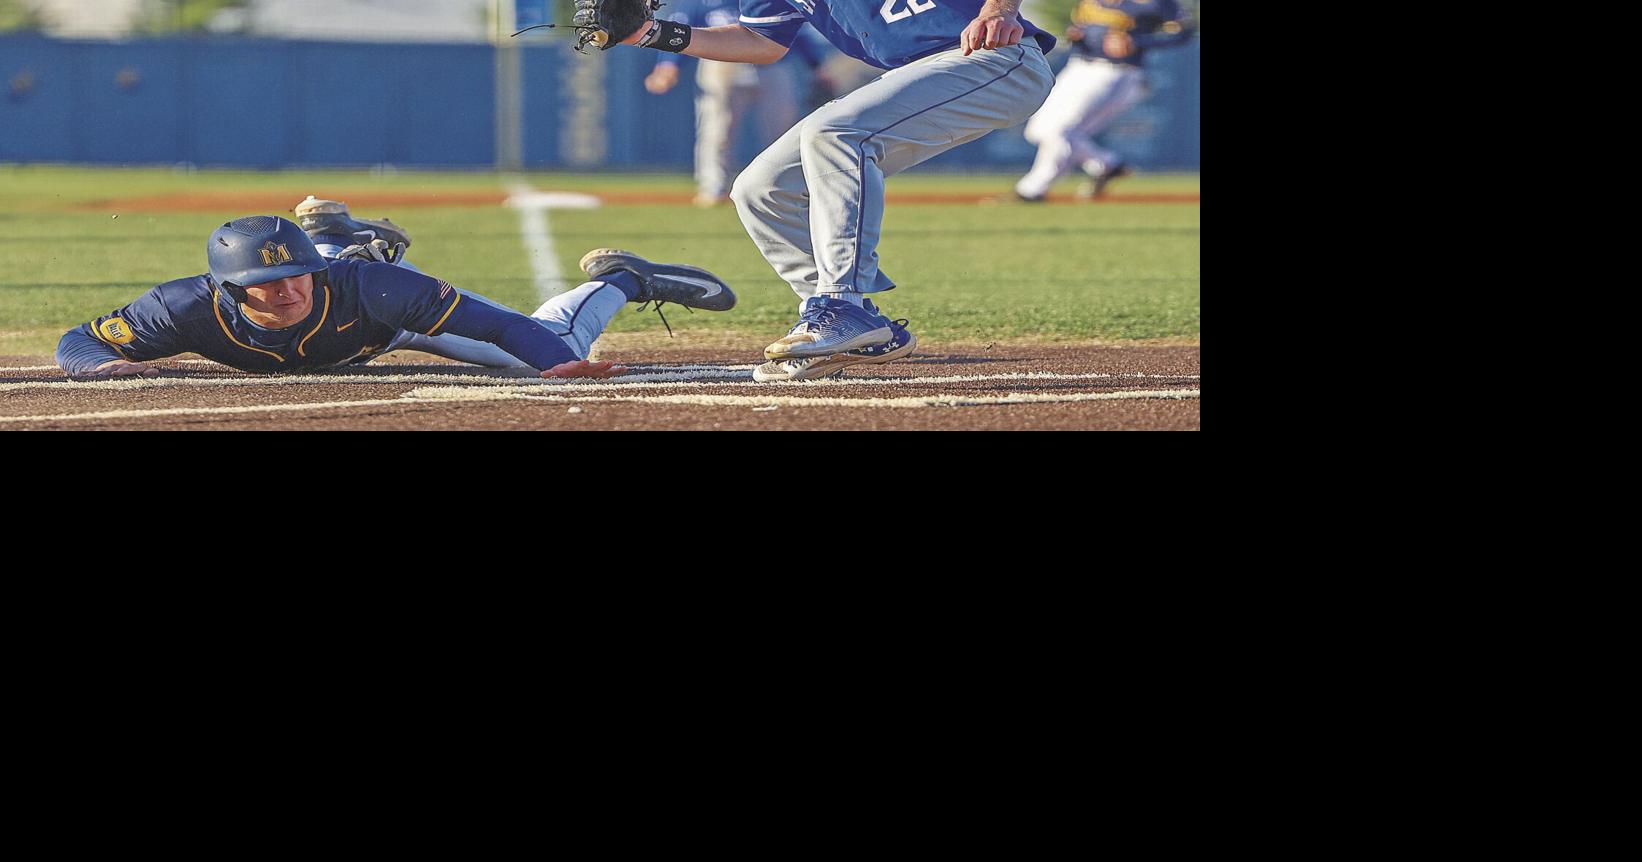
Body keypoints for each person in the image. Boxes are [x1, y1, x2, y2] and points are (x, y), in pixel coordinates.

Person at [603, 0, 1056, 382]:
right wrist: (652, 33)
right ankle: (845, 323)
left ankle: (843, 304)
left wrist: (1000, 7)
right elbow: (761, 43)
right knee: (762, 188)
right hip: (919, 74)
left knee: (835, 130)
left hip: (994, 57)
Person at [55, 200, 736, 381]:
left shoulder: (380, 290)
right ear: (228, 288)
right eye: (264, 284)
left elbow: (498, 325)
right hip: (351, 297)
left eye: (296, 275)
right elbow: (79, 340)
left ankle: (624, 279)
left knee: (550, 343)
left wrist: (555, 365)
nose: (285, 291)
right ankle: (332, 235)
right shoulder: (180, 309)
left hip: (384, 323)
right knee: (330, 267)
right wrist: (97, 366)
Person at [643, 1, 837, 208]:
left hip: (773, 65)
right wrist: (667, 65)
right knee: (717, 130)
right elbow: (681, 28)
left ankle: (787, 188)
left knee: (783, 133)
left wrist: (818, 66)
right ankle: (713, 188)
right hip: (722, 65)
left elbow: (798, 31)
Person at [1013, 0, 1194, 202]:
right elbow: (1085, 28)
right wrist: (1078, 35)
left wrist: (1138, 41)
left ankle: (1031, 190)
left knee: (1060, 131)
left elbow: (1183, 33)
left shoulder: (1154, 2)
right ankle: (1107, 165)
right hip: (1079, 65)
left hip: (1116, 71)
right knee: (1038, 130)